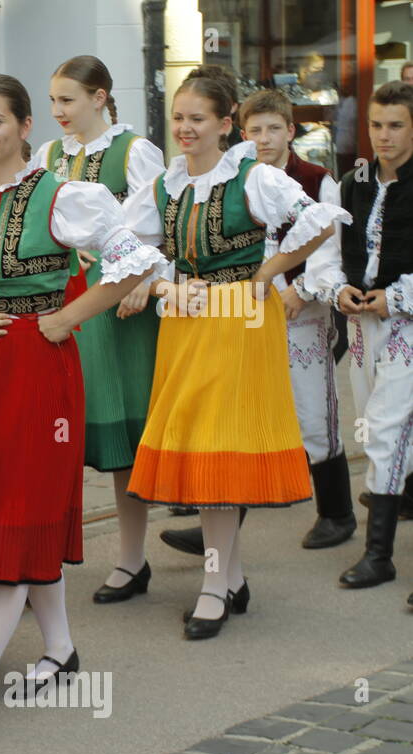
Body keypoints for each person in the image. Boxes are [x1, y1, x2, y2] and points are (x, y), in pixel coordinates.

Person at [0, 75, 160, 730]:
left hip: (35, 368)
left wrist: (68, 316)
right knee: (0, 509)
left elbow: (133, 264)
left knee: (14, 507)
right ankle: (60, 648)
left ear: (25, 126)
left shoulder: (65, 197)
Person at [123, 67, 349, 639]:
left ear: (227, 125)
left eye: (197, 119)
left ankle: (213, 583)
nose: (185, 129)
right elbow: (126, 251)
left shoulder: (251, 177)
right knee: (203, 451)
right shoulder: (165, 185)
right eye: (178, 118)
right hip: (186, 326)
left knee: (219, 454)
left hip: (241, 323)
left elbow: (320, 222)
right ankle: (234, 579)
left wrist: (264, 275)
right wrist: (160, 285)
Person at [162, 89, 356, 556]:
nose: (265, 138)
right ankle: (222, 519)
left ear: (291, 131)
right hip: (244, 313)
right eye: (256, 130)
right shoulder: (231, 176)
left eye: (274, 129)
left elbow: (329, 247)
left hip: (298, 311)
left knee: (311, 411)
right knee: (238, 415)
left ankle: (336, 511)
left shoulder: (315, 178)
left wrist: (300, 289)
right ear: (241, 133)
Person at [34, 56, 166, 604]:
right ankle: (40, 558)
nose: (59, 111)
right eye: (53, 102)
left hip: (120, 309)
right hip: (66, 300)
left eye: (68, 100)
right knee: (59, 436)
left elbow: (162, 221)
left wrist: (145, 273)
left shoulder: (134, 151)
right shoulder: (47, 157)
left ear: (100, 97)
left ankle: (133, 558)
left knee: (124, 438)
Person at [321, 82, 413, 601]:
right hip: (362, 326)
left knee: (386, 427)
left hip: (408, 323)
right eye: (377, 125)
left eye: (396, 125)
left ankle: (379, 555)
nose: (384, 136)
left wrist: (397, 297)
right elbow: (328, 249)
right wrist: (338, 289)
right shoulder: (354, 181)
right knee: (382, 424)